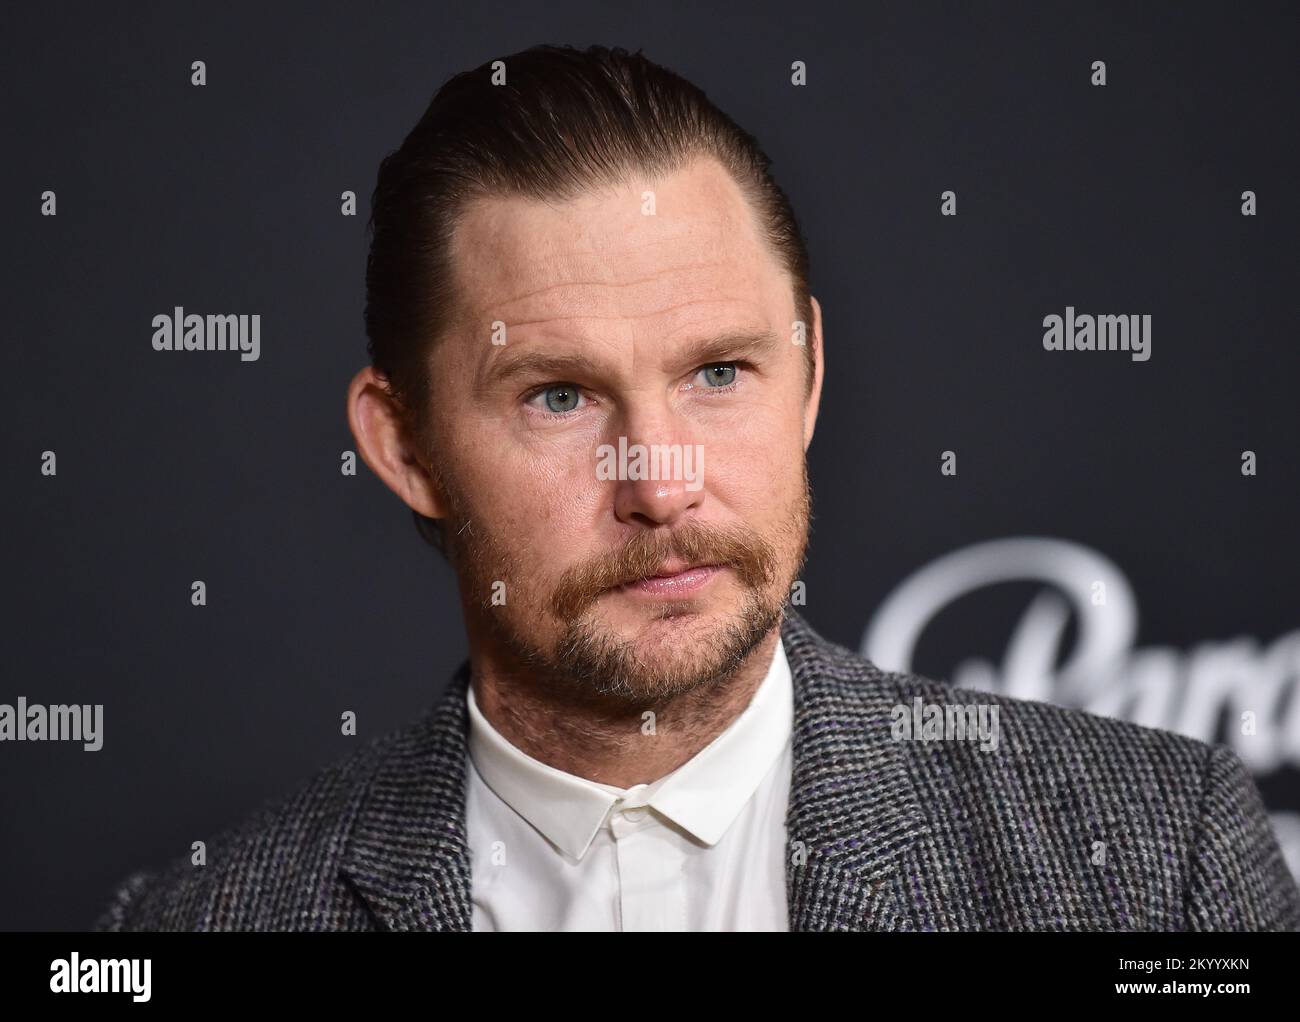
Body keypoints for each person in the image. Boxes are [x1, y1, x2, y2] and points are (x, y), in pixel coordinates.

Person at [94, 43, 1300, 932]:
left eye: (719, 371)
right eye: (558, 395)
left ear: (810, 371)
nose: (659, 482)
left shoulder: (1154, 869)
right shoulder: (191, 928)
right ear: (405, 445)